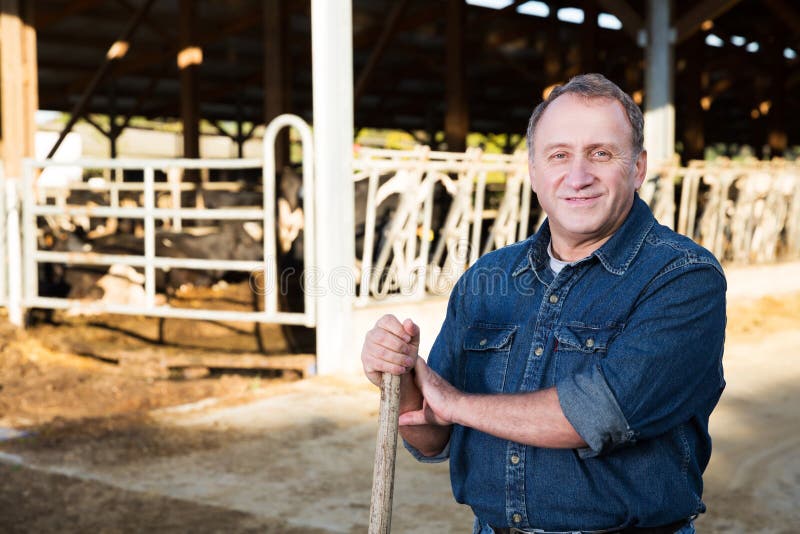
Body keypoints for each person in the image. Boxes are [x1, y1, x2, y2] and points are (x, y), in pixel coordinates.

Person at [361, 73, 726, 534]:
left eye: (601, 153)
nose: (578, 176)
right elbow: (433, 436)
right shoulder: (488, 278)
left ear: (637, 168)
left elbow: (599, 415)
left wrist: (453, 402)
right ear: (533, 171)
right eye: (558, 155)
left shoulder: (682, 277)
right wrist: (401, 377)